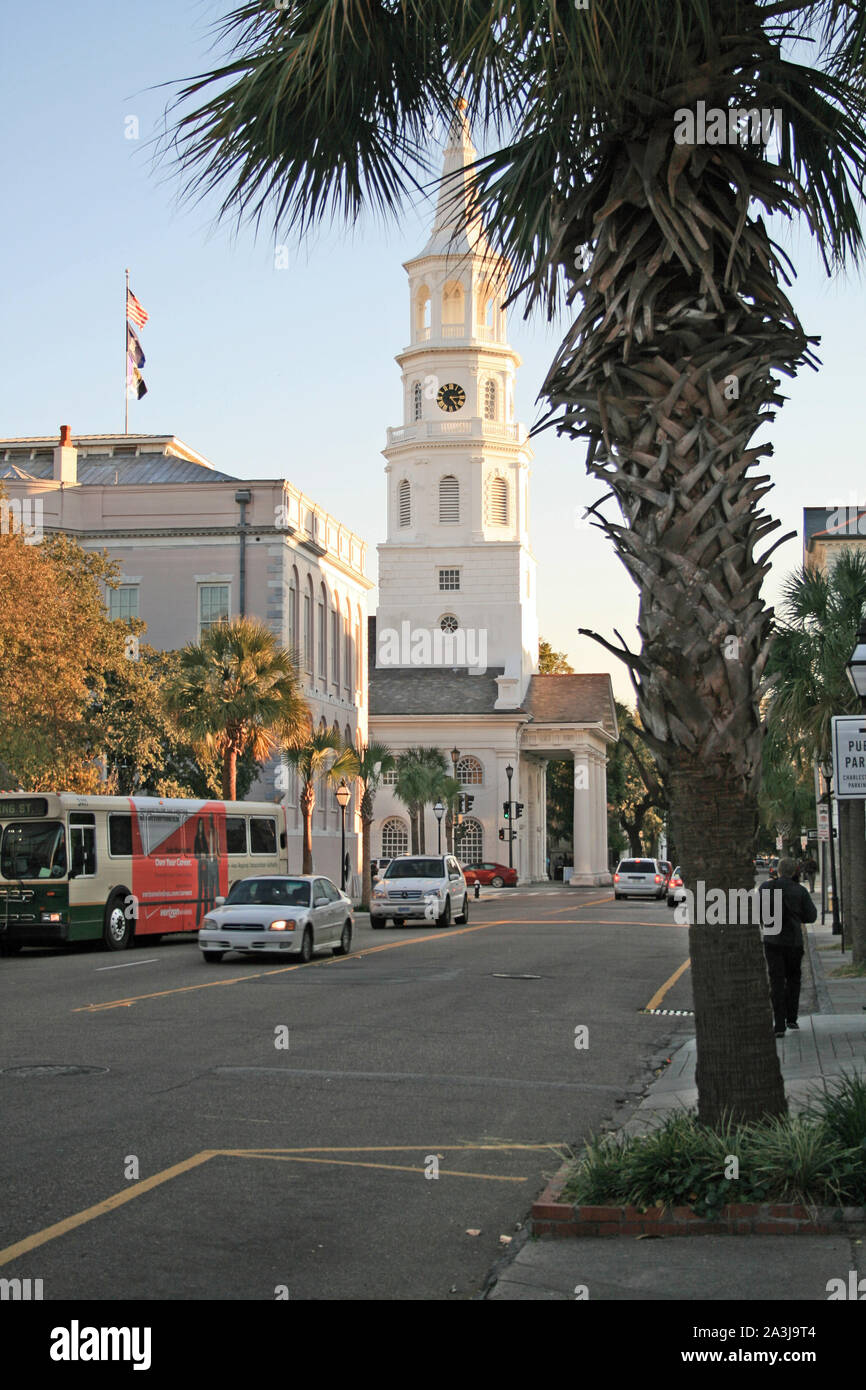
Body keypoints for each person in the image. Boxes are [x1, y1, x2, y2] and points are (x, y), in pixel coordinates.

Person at [759, 857, 817, 1037]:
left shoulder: (765, 888)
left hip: (772, 941)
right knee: (793, 979)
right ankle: (792, 1017)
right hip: (793, 941)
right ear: (794, 872)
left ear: (778, 870)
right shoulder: (800, 891)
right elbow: (811, 916)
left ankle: (779, 1024)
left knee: (776, 980)